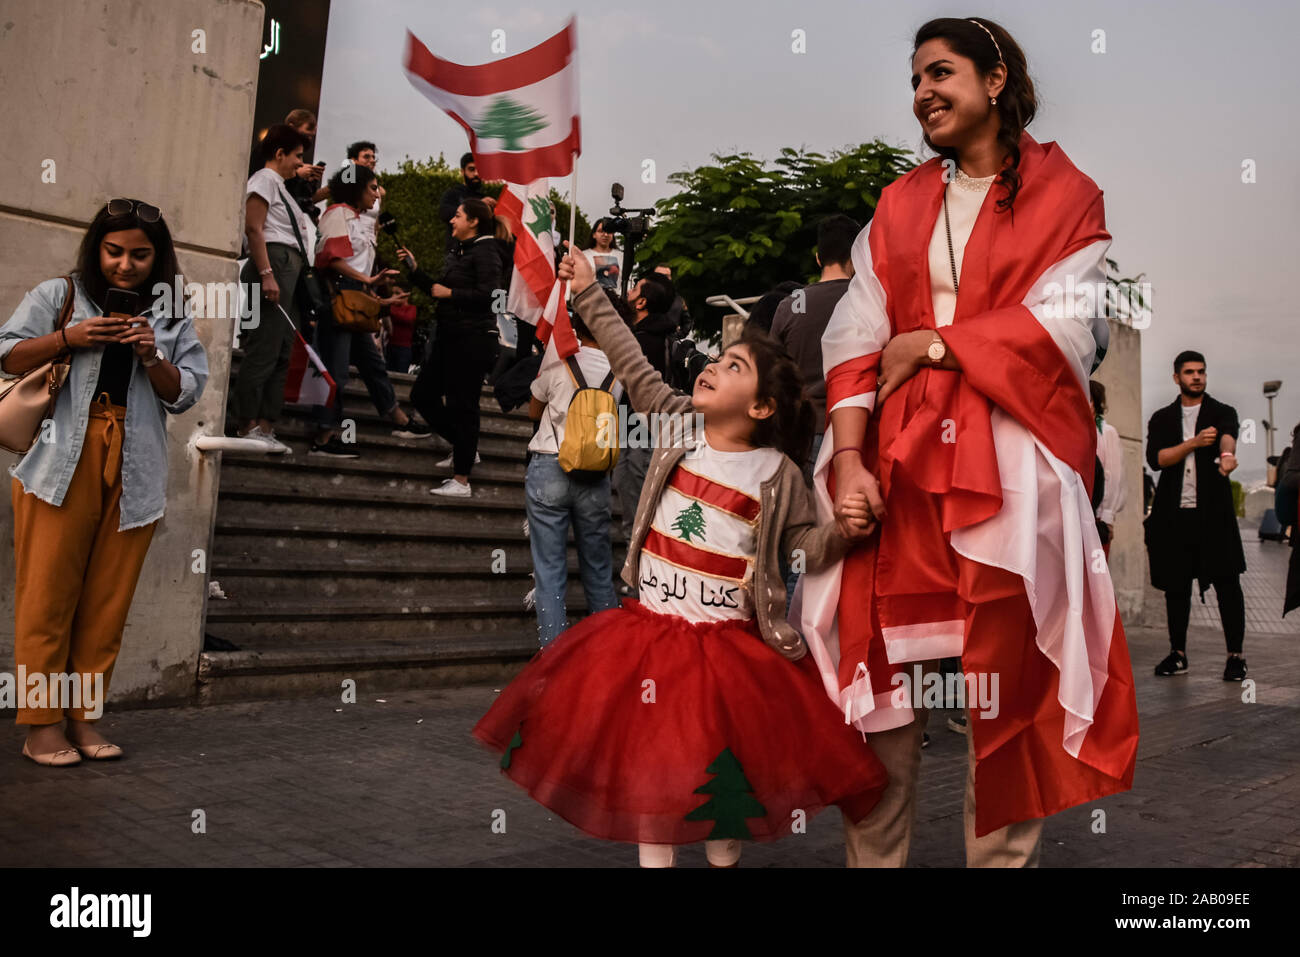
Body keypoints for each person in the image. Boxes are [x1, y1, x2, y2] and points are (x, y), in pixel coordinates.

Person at [804, 16, 1139, 868]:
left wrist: (936, 345)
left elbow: (1067, 328)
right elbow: (855, 335)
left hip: (1013, 469)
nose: (923, 92)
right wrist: (849, 460)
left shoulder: (1068, 194)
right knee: (879, 682)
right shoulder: (899, 203)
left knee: (1009, 691)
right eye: (915, 79)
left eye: (940, 72)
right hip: (897, 466)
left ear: (995, 81)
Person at [473, 247, 885, 867]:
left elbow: (802, 548)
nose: (714, 366)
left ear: (762, 408)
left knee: (723, 775)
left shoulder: (778, 473)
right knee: (653, 771)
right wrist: (588, 291)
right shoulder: (676, 427)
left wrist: (845, 534)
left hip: (729, 652)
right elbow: (631, 362)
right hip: (648, 638)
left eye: (734, 366)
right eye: (719, 358)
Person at [0, 199, 208, 765]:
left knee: (106, 605)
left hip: (136, 464)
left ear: (158, 257)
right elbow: (7, 354)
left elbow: (185, 392)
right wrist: (70, 337)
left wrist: (152, 355)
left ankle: (83, 719)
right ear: (97, 248)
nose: (125, 265)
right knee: (47, 598)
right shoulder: (59, 294)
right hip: (59, 460)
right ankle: (42, 726)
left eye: (140, 255)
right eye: (114, 251)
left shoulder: (171, 314)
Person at [310, 164, 429, 458]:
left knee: (372, 364)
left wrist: (372, 290)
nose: (378, 194)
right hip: (340, 298)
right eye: (373, 187)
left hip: (355, 297)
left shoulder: (354, 218)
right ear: (356, 189)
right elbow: (330, 258)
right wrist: (368, 280)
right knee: (336, 369)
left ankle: (397, 419)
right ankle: (323, 437)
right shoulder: (338, 213)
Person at [1144, 351, 1248, 681]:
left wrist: (1227, 455)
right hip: (1175, 517)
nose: (1197, 377)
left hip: (1214, 516)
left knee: (1228, 583)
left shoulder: (1221, 411)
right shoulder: (1162, 418)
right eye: (1189, 372)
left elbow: (1228, 435)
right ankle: (1178, 654)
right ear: (1177, 377)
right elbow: (1157, 459)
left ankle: (1235, 656)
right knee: (1176, 588)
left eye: (1201, 371)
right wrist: (1193, 443)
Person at [524, 309, 622, 646]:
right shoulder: (620, 370)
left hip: (550, 465)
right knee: (598, 569)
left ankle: (553, 656)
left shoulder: (558, 361)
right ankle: (608, 650)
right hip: (596, 475)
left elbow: (533, 410)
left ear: (578, 327)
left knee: (549, 572)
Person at [399, 197, 503, 496]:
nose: (451, 220)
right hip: (449, 337)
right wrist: (415, 272)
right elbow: (438, 291)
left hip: (472, 339)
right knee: (422, 395)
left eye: (458, 216)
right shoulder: (462, 250)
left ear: (474, 221)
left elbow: (493, 296)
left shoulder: (487, 250)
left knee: (463, 405)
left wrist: (452, 294)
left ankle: (461, 480)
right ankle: (464, 448)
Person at [231, 123, 310, 453]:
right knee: (264, 347)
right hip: (274, 264)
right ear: (280, 154)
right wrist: (266, 273)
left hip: (285, 266)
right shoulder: (264, 180)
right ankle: (246, 422)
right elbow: (254, 227)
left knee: (281, 351)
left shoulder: (278, 185)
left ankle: (264, 425)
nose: (300, 163)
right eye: (297, 156)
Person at [771, 214, 860, 482]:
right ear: (856, 257)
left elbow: (772, 372)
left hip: (801, 432)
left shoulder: (790, 305)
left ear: (819, 258)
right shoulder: (867, 301)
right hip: (855, 430)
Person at [610, 273, 677, 547]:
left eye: (635, 288)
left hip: (640, 428)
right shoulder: (657, 336)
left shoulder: (644, 341)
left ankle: (638, 557)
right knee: (627, 487)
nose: (629, 292)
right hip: (635, 425)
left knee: (635, 494)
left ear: (642, 303)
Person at [1091, 379, 1126, 556]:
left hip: (1098, 517)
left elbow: (1113, 476)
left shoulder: (1106, 432)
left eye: (1089, 399)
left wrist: (1107, 517)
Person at [283, 109, 327, 226]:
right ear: (291, 127)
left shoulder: (300, 154)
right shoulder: (273, 150)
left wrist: (309, 182)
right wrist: (296, 174)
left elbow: (299, 198)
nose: (308, 140)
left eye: (311, 137)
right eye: (306, 135)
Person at [438, 152, 485, 245]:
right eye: (471, 169)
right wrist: (478, 208)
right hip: (457, 250)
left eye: (479, 169)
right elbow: (444, 213)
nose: (476, 174)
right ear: (463, 171)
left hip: (480, 249)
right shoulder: (452, 194)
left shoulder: (484, 198)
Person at [583, 218, 622, 291]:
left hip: (616, 297)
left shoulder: (621, 256)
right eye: (601, 231)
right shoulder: (584, 255)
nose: (605, 235)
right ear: (594, 235)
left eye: (609, 231)